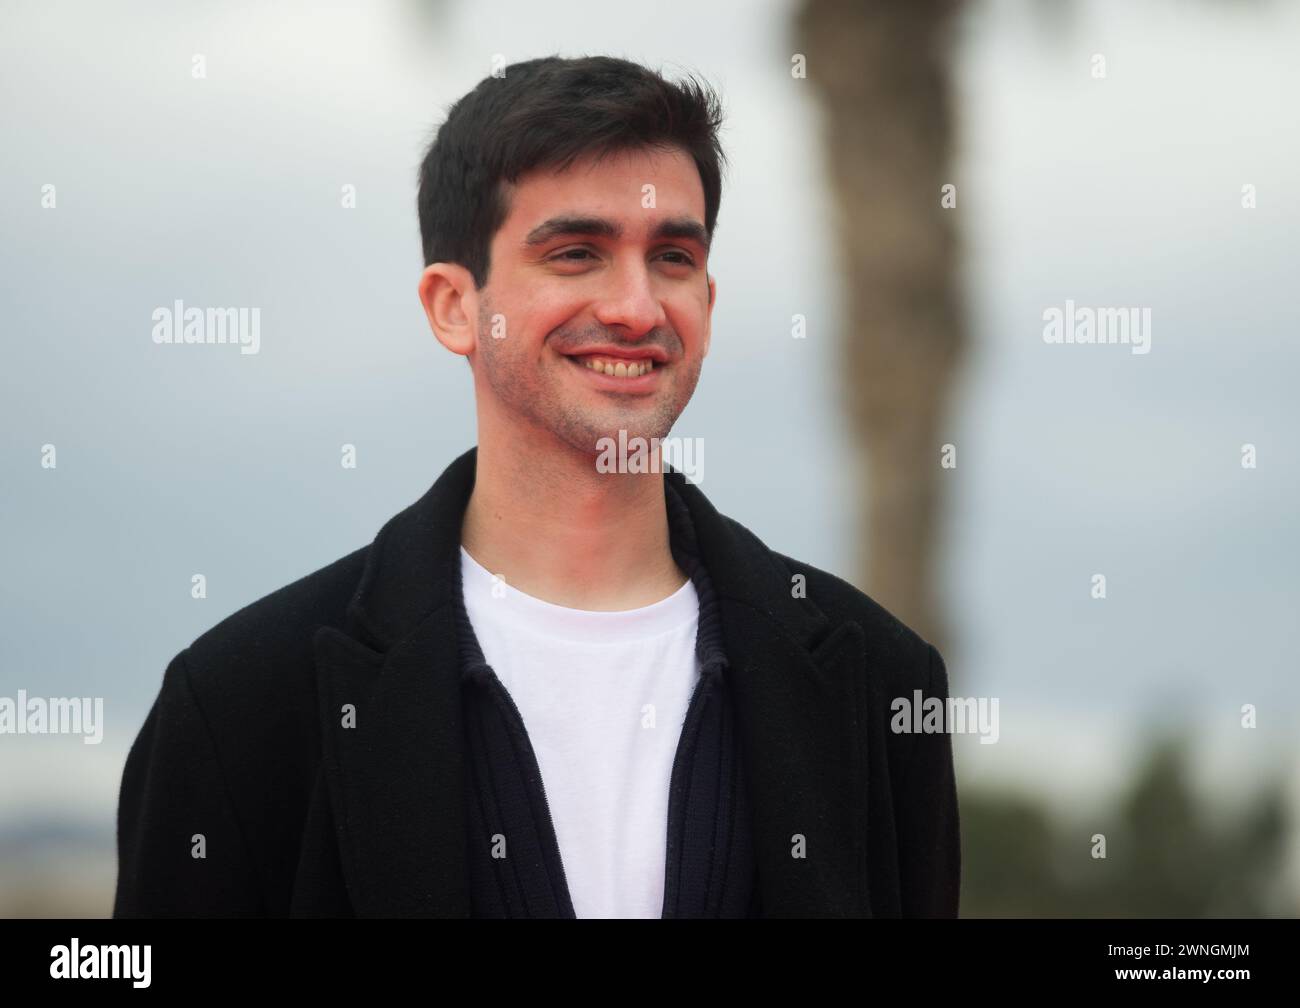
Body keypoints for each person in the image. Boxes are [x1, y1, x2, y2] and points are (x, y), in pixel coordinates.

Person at [113, 54, 960, 918]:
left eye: (671, 255)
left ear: (707, 295)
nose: (636, 307)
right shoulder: (240, 703)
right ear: (453, 305)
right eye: (577, 253)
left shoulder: (882, 686)